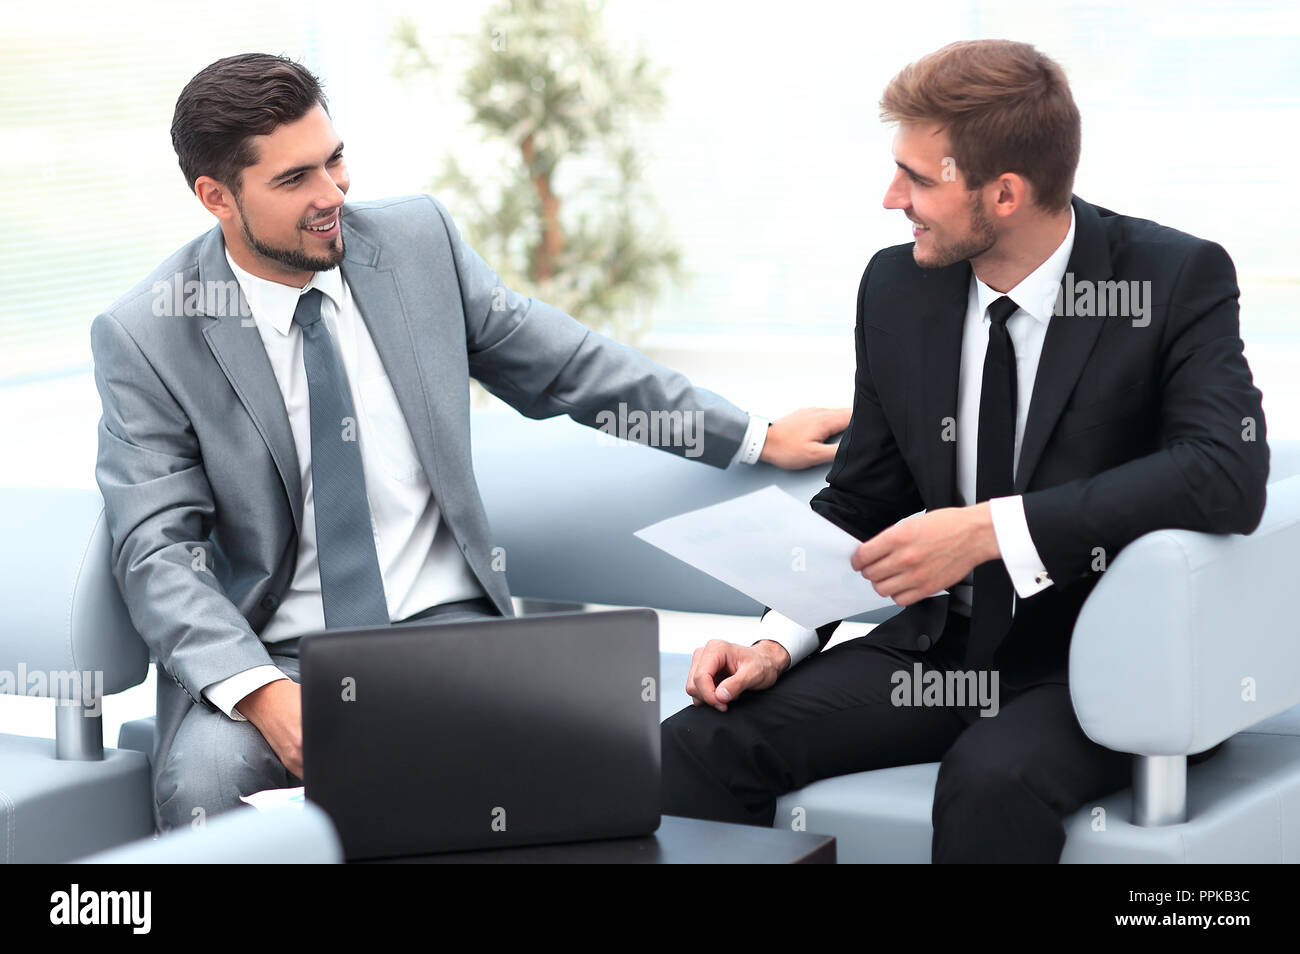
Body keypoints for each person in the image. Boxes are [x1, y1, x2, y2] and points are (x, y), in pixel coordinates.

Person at [90, 52, 848, 832]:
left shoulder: (416, 245)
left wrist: (754, 435)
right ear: (216, 196)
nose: (332, 196)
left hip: (444, 633)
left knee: (549, 779)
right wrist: (262, 693)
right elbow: (157, 552)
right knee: (208, 790)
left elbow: (571, 368)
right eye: (293, 181)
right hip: (269, 652)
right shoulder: (150, 335)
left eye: (336, 159)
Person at [662, 38, 1269, 863]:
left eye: (916, 178)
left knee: (989, 784)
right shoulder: (898, 286)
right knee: (696, 743)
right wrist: (773, 640)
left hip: (1101, 669)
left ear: (1006, 193)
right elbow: (861, 497)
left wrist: (989, 533)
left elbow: (1224, 474)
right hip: (941, 653)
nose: (890, 197)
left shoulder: (1170, 279)